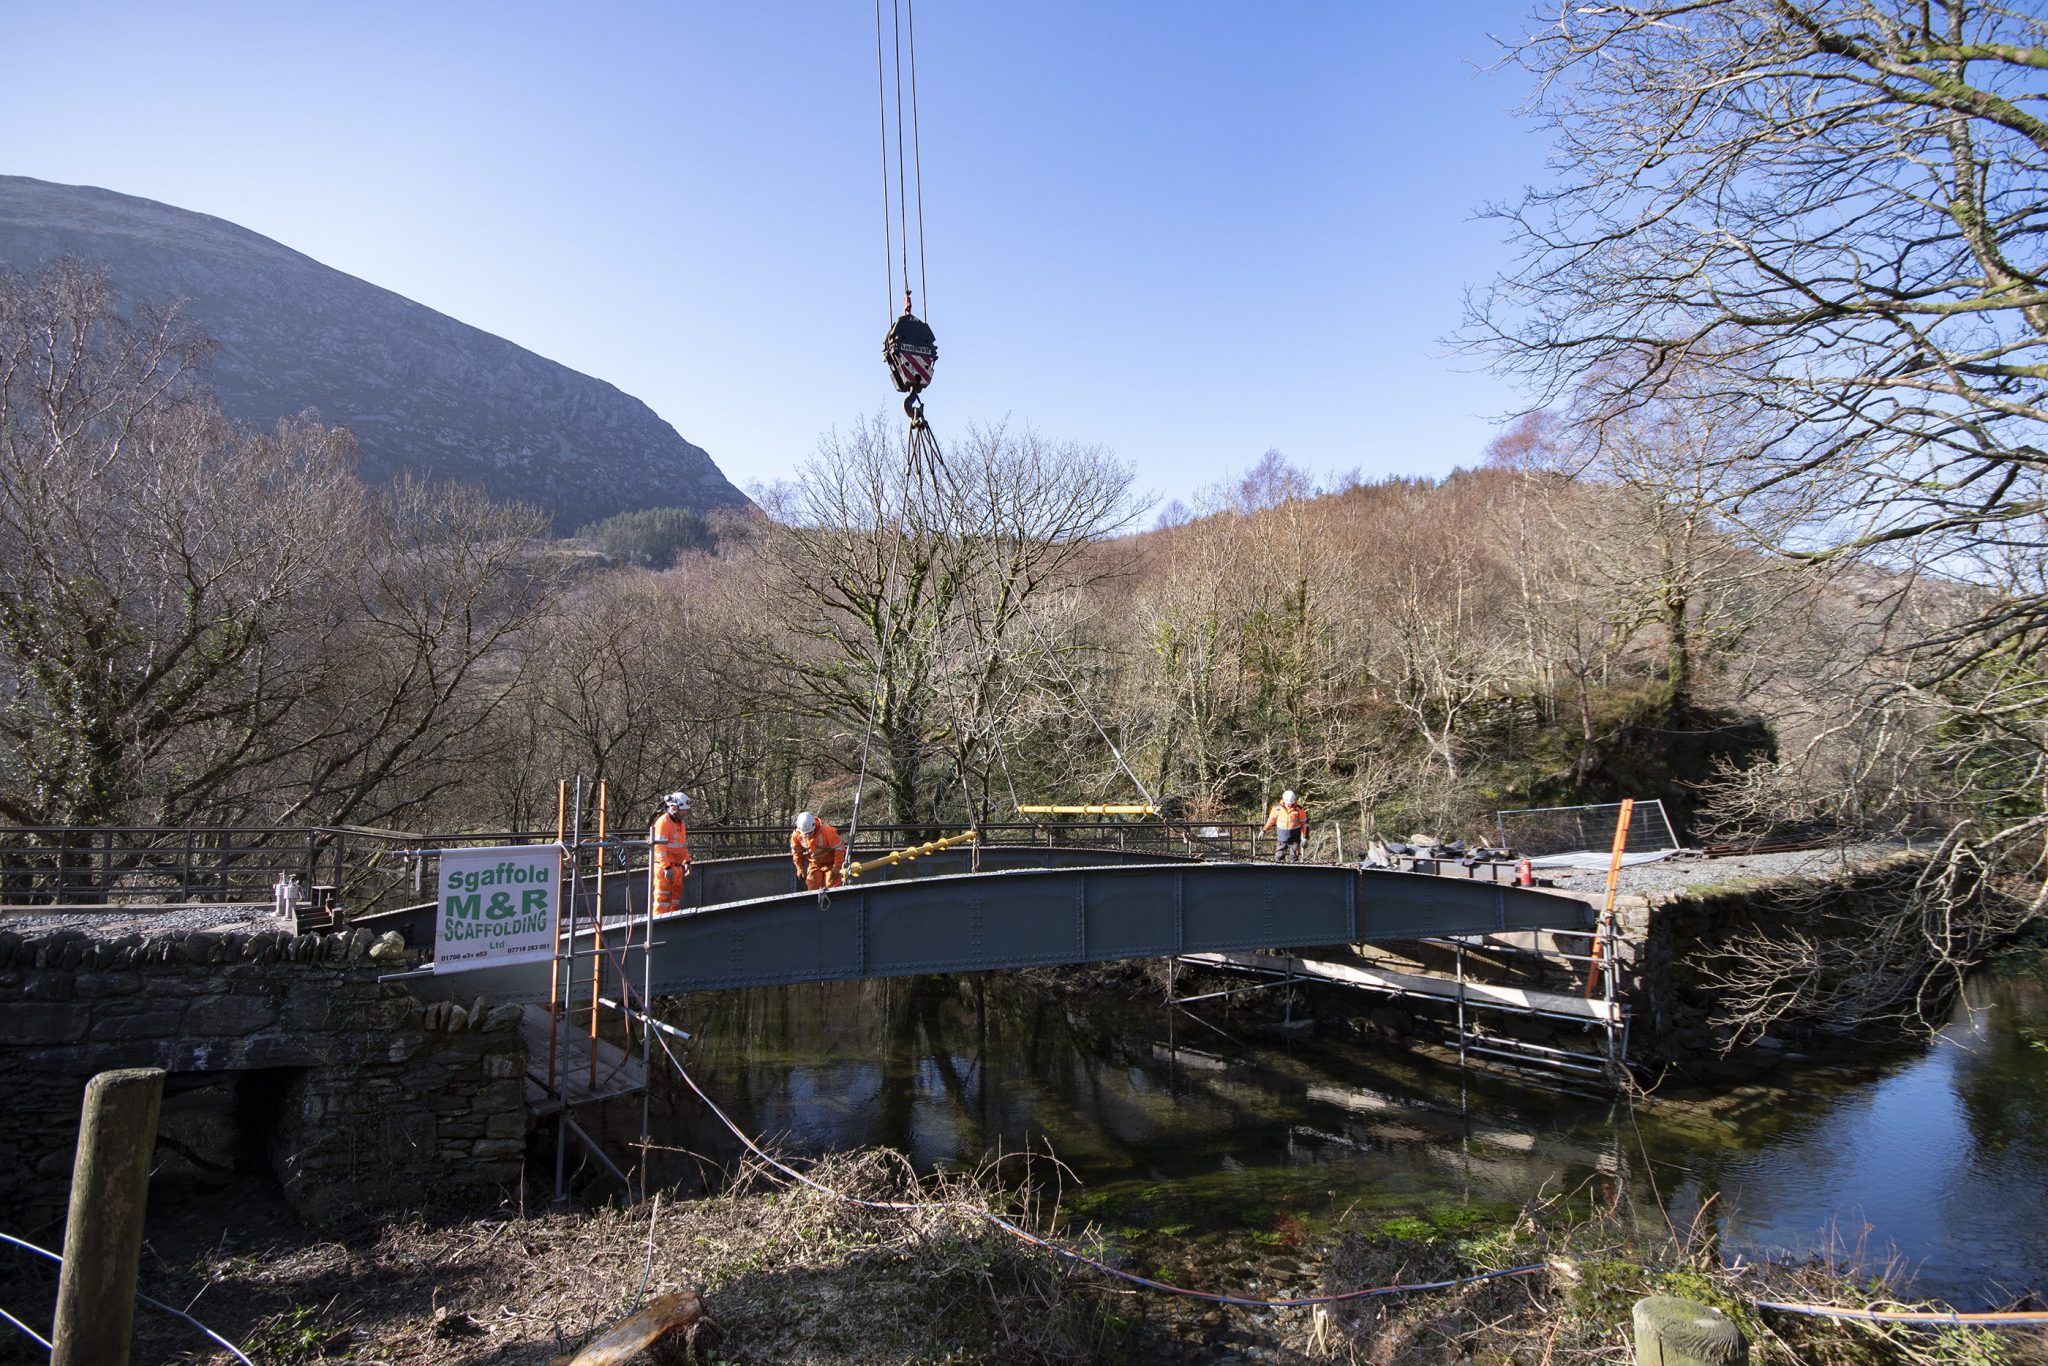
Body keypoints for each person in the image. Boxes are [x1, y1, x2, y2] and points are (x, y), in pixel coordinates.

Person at [650, 791, 692, 915]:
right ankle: (658, 925)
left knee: (674, 900)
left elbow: (682, 845)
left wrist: (686, 861)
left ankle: (671, 922)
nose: (685, 813)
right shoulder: (663, 822)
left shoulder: (680, 824)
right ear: (674, 807)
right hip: (665, 869)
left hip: (677, 868)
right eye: (683, 810)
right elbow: (659, 847)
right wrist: (667, 867)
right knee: (662, 900)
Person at [790, 811, 845, 890]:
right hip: (815, 864)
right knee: (812, 885)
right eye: (805, 834)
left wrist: (837, 866)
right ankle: (814, 902)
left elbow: (840, 849)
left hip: (831, 864)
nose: (807, 836)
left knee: (832, 886)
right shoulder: (797, 836)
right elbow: (796, 852)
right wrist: (799, 868)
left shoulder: (827, 832)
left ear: (814, 826)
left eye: (810, 833)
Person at [1262, 790, 1308, 862]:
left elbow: (1304, 824)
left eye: (1291, 803)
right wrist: (1264, 830)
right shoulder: (1277, 808)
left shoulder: (1299, 810)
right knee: (1279, 857)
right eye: (1288, 803)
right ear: (1284, 800)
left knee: (1294, 858)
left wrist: (1305, 837)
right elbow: (1271, 821)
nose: (1289, 805)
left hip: (1294, 839)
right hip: (1281, 838)